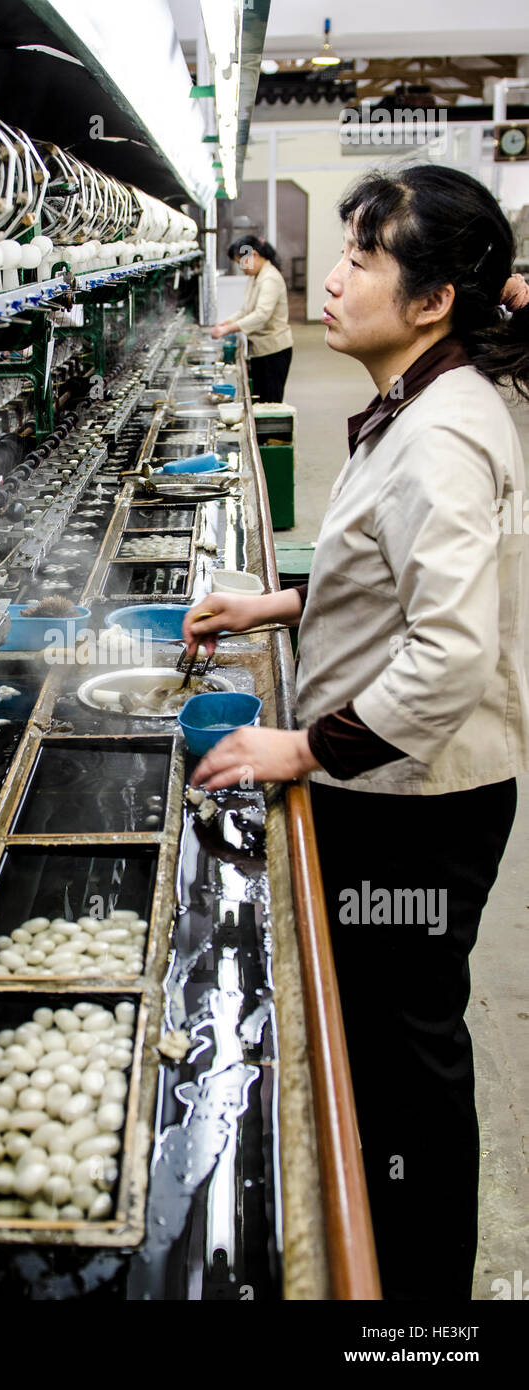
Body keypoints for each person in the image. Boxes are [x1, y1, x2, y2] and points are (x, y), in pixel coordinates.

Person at [183, 164, 529, 1301]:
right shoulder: (422, 400)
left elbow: (451, 655)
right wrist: (279, 603)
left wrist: (301, 748)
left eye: (363, 261)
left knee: (402, 1054)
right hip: (400, 787)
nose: (327, 282)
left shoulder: (443, 434)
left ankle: (415, 1303)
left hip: (419, 804)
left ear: (432, 299)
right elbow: (387, 577)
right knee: (384, 1041)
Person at [211, 236, 294, 402]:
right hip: (260, 349)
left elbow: (262, 315)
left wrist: (228, 329)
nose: (241, 268)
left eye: (241, 262)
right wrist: (226, 322)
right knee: (261, 398)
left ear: (254, 254)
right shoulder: (256, 277)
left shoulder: (270, 278)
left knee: (270, 400)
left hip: (273, 351)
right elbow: (245, 310)